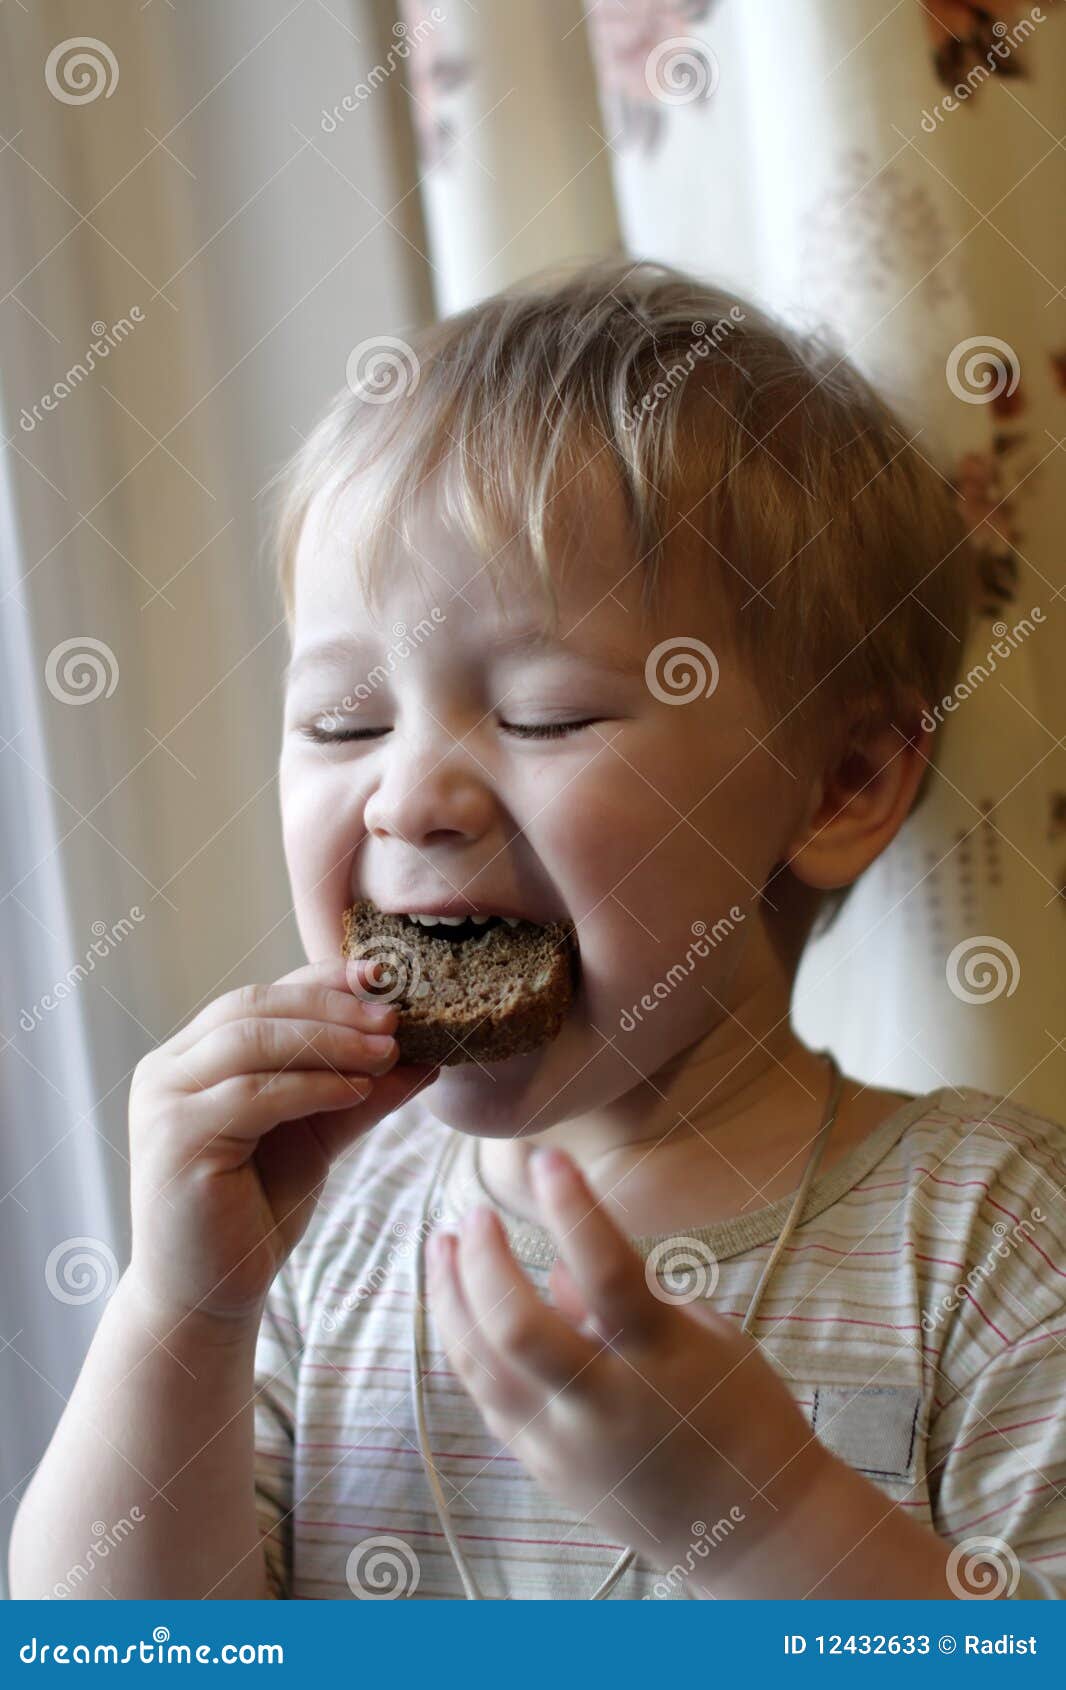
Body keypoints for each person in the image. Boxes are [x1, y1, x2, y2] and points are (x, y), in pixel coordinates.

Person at [10, 258, 1064, 1601]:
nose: (410, 794)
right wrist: (178, 1315)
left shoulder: (989, 1243)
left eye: (545, 715)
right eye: (345, 720)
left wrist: (769, 1523)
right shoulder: (315, 1241)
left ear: (840, 781)